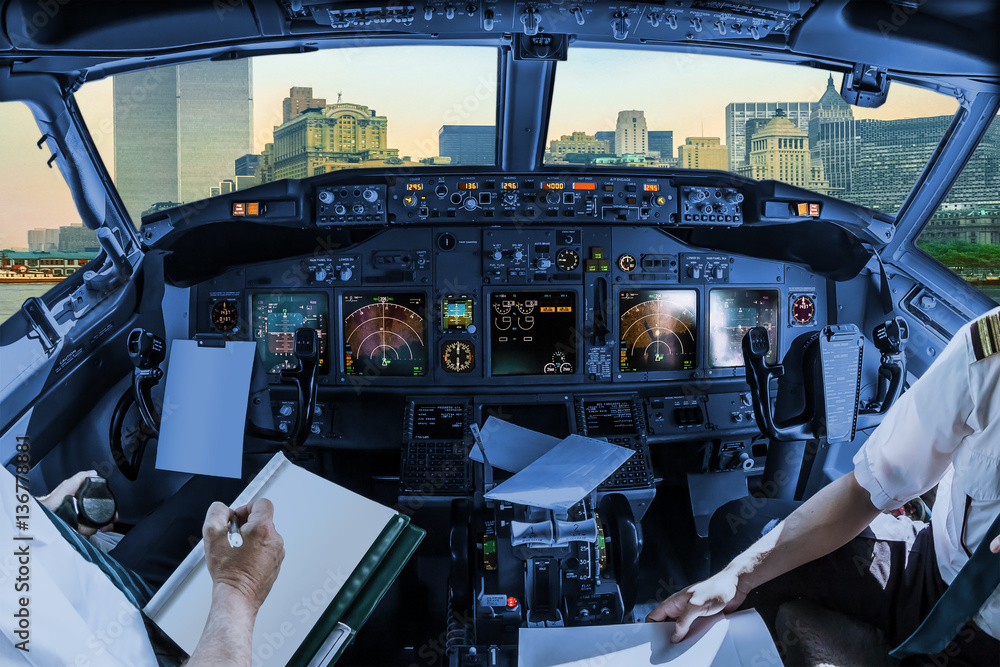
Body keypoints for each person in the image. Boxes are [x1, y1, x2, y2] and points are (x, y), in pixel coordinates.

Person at [647, 308, 1000, 665]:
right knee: (743, 526)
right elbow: (866, 490)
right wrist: (736, 578)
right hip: (932, 573)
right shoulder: (988, 354)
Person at [0, 468, 284, 666]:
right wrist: (238, 588)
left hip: (113, 586)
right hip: (154, 652)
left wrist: (47, 517)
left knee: (233, 479)